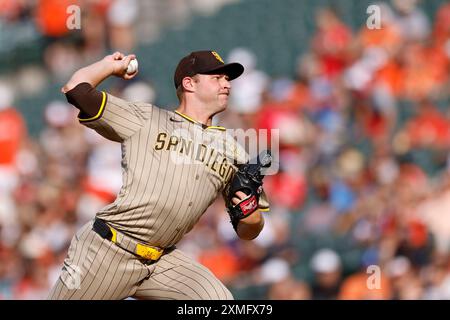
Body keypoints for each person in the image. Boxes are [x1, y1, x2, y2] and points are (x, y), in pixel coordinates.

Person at [47, 50, 269, 300]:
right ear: (189, 83)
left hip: (163, 261)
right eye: (217, 78)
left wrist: (250, 214)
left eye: (228, 79)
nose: (226, 84)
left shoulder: (234, 152)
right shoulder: (147, 118)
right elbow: (75, 89)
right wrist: (109, 66)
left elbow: (249, 230)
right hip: (109, 249)